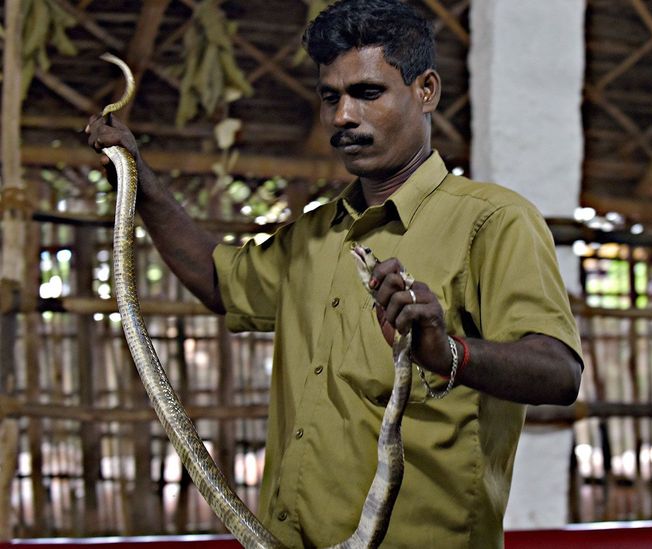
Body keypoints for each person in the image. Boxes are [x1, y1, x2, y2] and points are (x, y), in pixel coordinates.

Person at [86, 0, 582, 546]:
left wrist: (450, 354)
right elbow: (219, 281)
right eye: (331, 97)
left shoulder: (493, 221)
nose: (344, 116)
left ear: (427, 91)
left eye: (368, 93)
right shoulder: (313, 235)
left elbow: (558, 372)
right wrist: (138, 180)